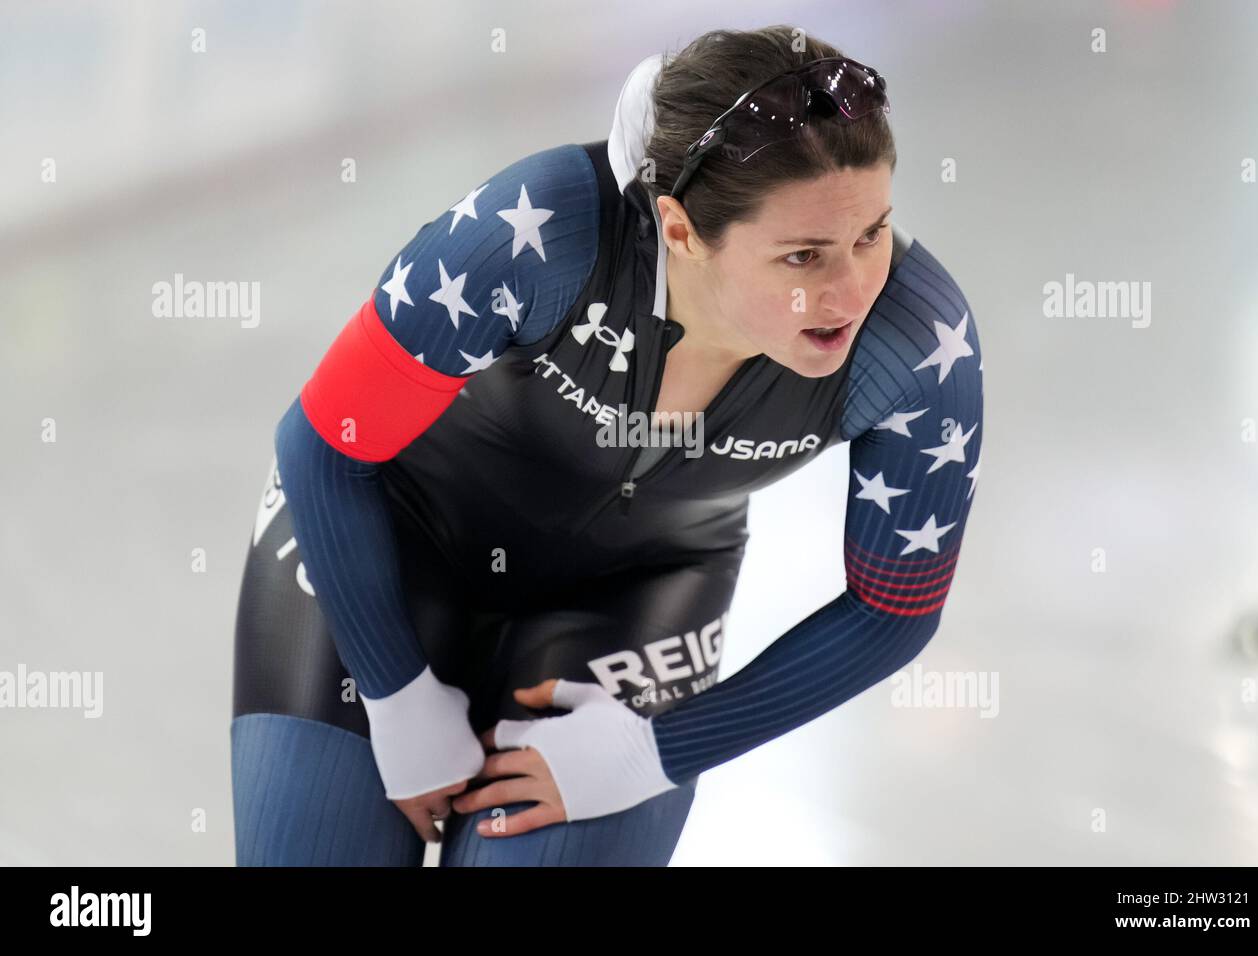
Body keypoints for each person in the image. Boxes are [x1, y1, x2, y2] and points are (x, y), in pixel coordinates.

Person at [230, 24, 984, 866]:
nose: (851, 291)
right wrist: (394, 691)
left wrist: (656, 752)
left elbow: (894, 611)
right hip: (394, 535)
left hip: (637, 589)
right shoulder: (542, 233)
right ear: (682, 229)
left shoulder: (917, 343)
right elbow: (324, 445)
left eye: (873, 233)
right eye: (803, 254)